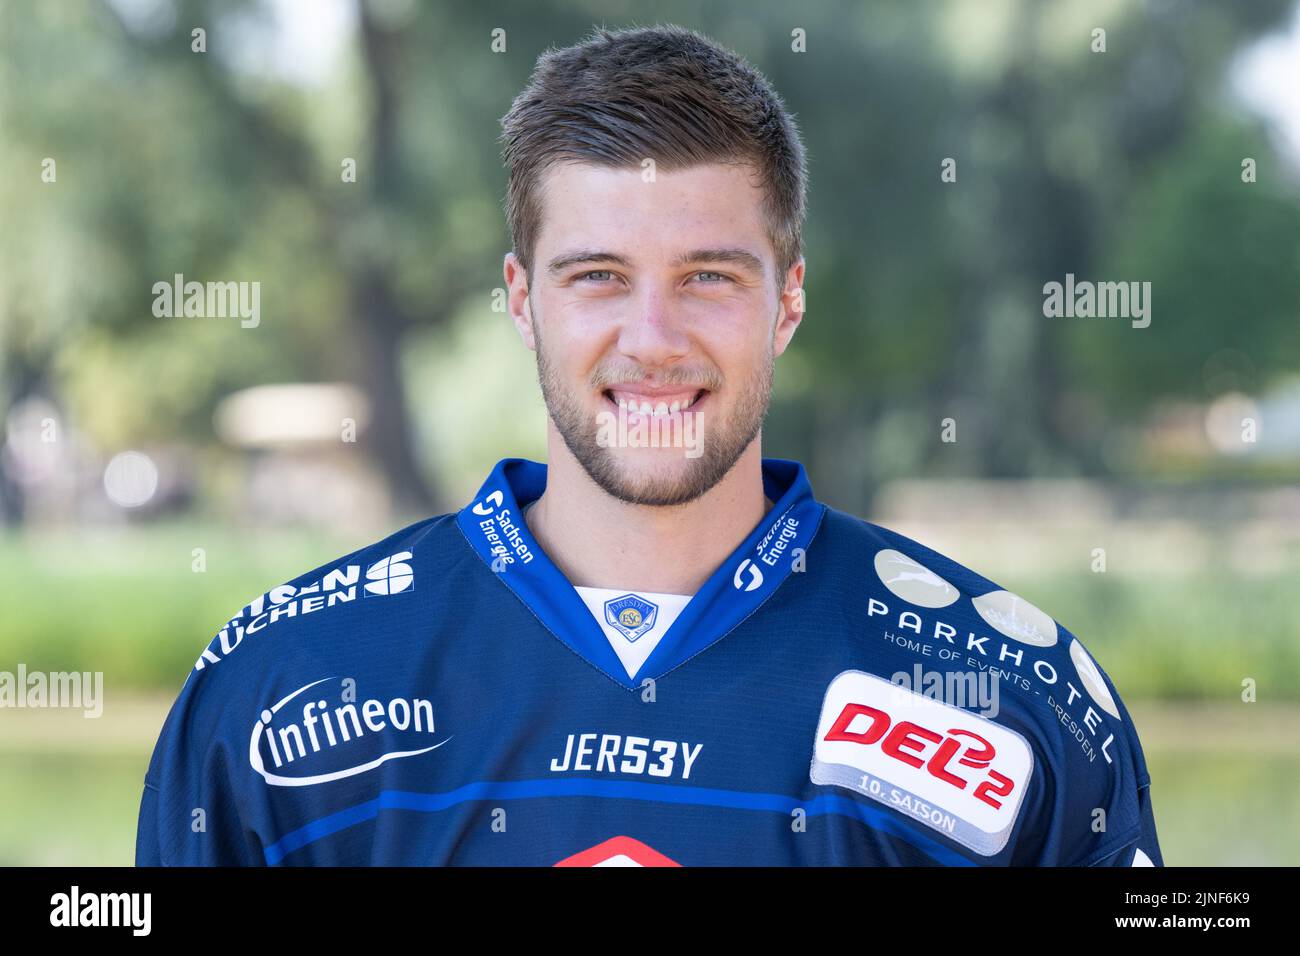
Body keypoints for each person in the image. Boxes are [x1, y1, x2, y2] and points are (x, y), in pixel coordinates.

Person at [136, 23, 1161, 867]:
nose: (654, 340)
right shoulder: (280, 682)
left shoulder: (1020, 699)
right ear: (521, 300)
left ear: (788, 300)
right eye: (597, 277)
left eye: (708, 276)